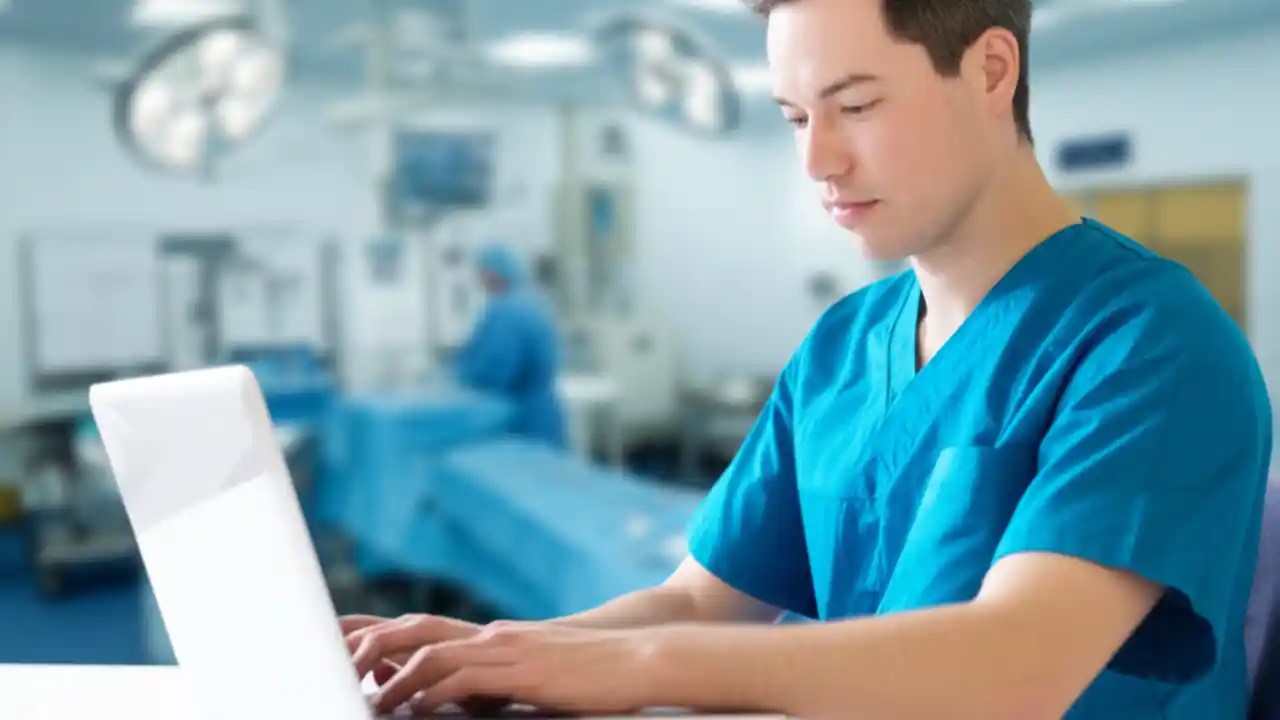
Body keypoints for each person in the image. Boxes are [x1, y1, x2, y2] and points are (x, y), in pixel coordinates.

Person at [342, 0, 1274, 717]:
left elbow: (1017, 668)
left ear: (992, 69)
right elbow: (705, 606)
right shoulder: (843, 345)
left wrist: (635, 668)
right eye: (793, 118)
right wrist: (503, 650)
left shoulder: (1152, 342)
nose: (819, 159)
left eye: (856, 105)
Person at [453, 244, 566, 449]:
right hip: (543, 411)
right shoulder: (532, 302)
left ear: (494, 274)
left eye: (482, 274)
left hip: (526, 418)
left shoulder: (507, 311)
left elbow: (493, 371)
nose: (480, 280)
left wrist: (457, 376)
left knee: (528, 473)